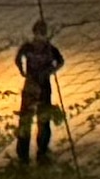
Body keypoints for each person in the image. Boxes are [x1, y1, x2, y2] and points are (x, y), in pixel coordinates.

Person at [11, 18, 65, 166]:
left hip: (35, 84)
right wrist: (49, 71)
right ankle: (33, 152)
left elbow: (18, 58)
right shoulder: (45, 48)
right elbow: (60, 62)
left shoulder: (34, 48)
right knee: (35, 117)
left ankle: (32, 152)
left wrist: (24, 71)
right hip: (37, 84)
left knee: (36, 117)